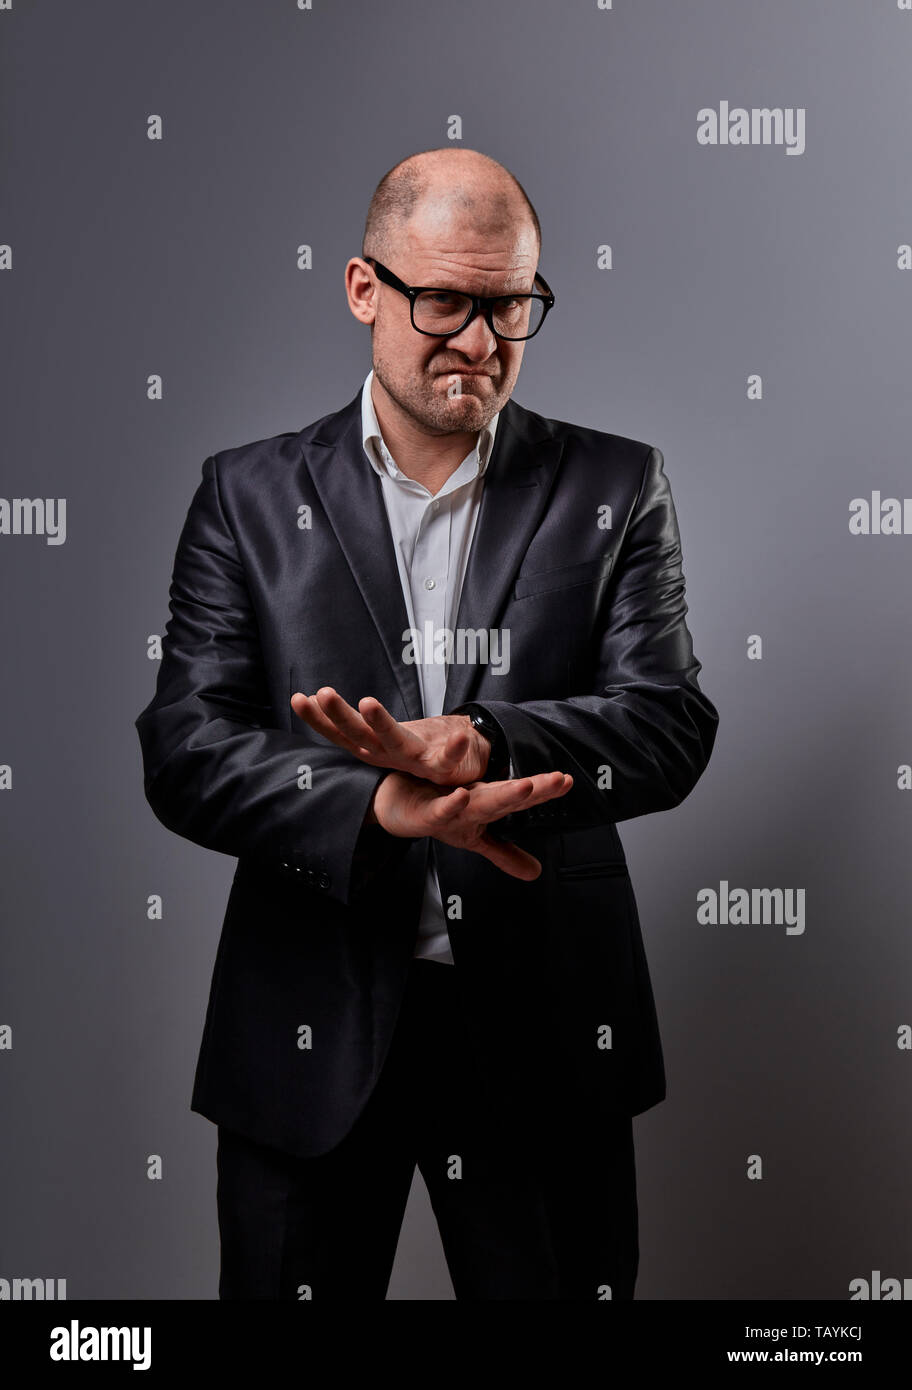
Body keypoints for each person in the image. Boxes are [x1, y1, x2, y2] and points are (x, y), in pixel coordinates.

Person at [135, 145, 719, 1301]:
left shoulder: (619, 483)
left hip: (547, 1033)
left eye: (513, 305)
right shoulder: (246, 497)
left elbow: (668, 722)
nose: (482, 340)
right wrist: (376, 806)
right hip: (308, 1021)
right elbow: (186, 747)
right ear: (365, 290)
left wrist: (488, 743)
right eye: (446, 299)